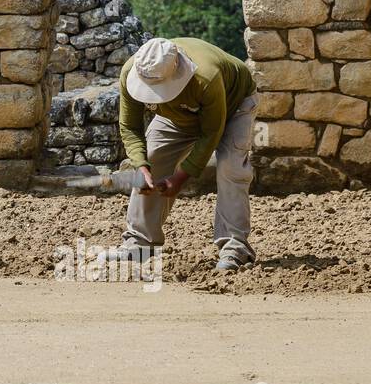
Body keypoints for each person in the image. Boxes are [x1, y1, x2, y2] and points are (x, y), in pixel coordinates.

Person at [106, 36, 259, 271]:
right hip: (175, 116)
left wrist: (181, 176)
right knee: (153, 158)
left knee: (231, 167)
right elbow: (129, 126)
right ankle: (139, 242)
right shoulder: (130, 72)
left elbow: (212, 132)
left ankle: (235, 247)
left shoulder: (206, 77)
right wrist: (141, 165)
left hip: (233, 106)